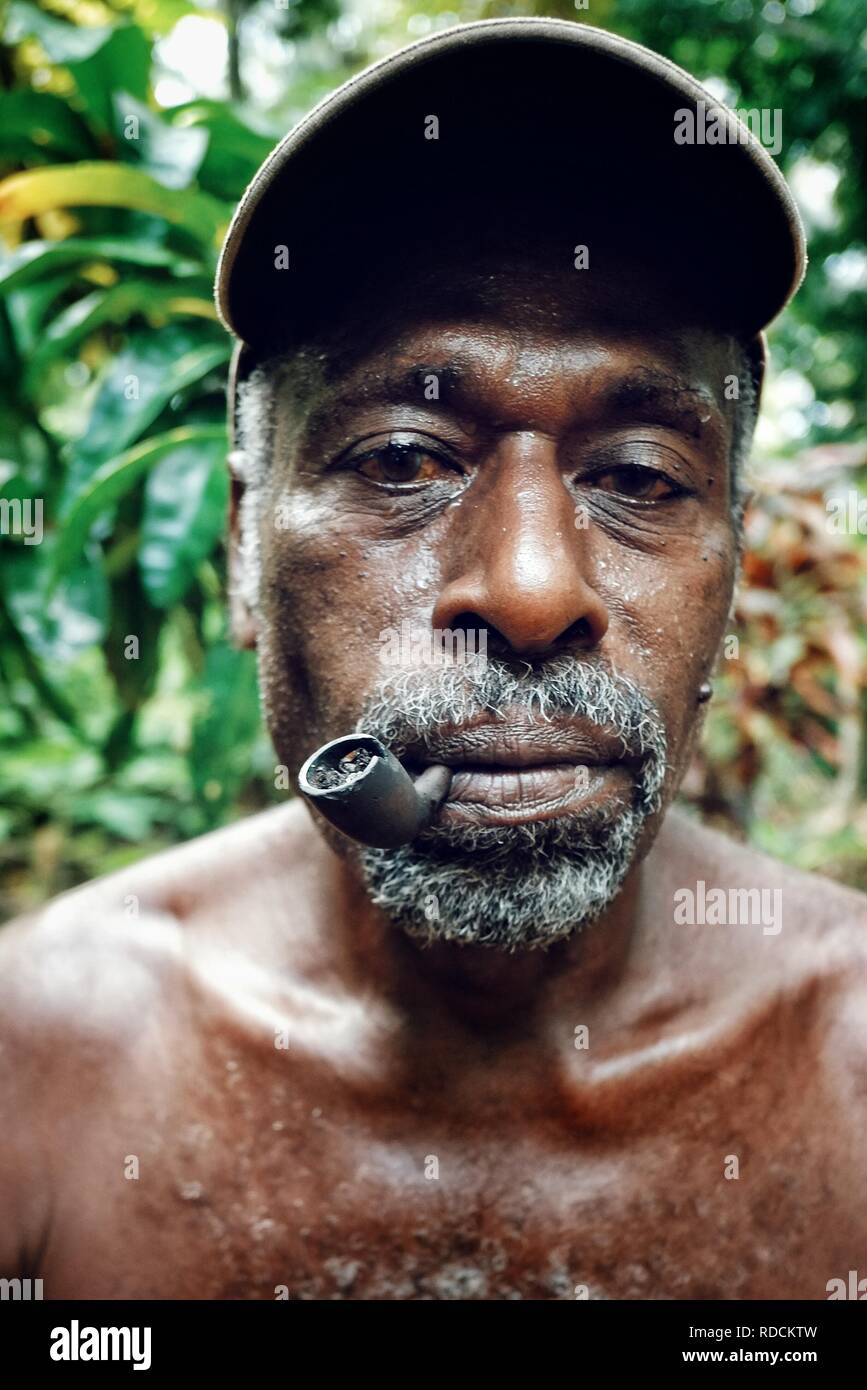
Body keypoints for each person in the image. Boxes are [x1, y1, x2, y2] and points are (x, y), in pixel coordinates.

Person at [2, 18, 865, 1301]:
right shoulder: (44, 1058)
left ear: (732, 569)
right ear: (245, 553)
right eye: (402, 460)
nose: (531, 589)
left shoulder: (848, 1063)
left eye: (639, 477)